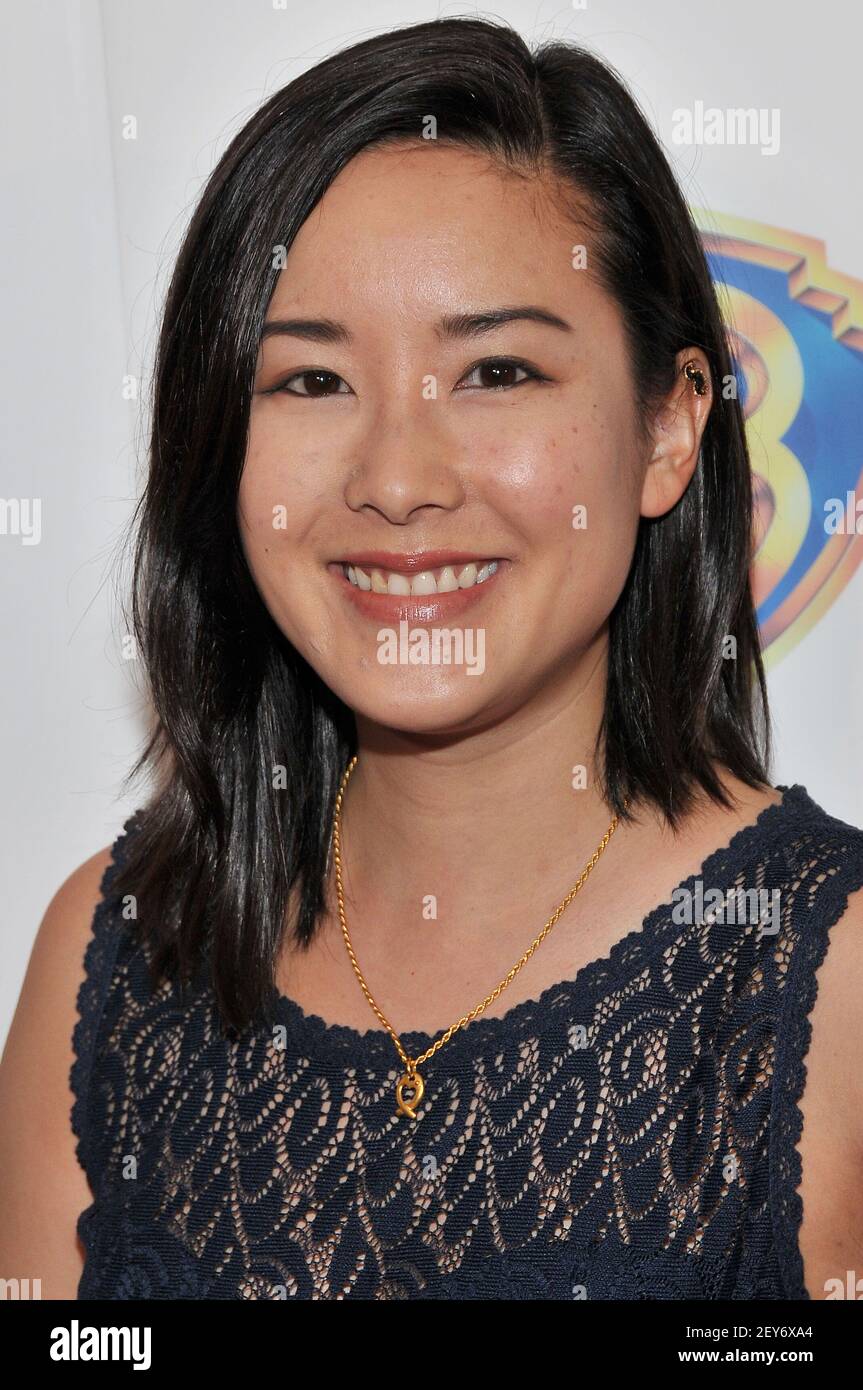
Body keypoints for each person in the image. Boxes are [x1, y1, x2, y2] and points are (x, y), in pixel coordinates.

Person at [2, 16, 862, 1302]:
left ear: (669, 427)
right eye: (309, 382)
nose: (397, 479)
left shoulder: (828, 981)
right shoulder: (115, 947)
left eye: (495, 369)